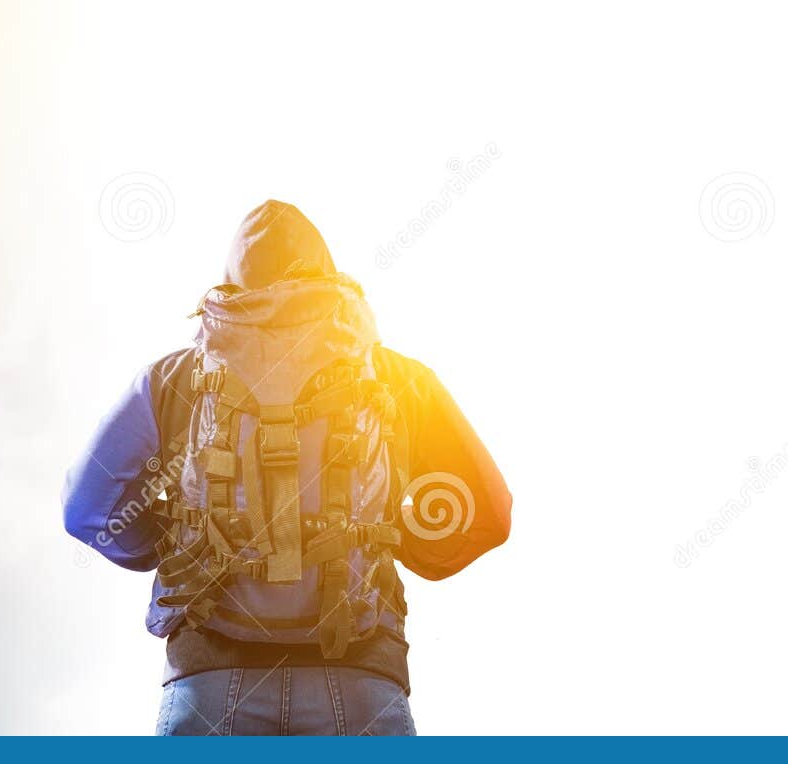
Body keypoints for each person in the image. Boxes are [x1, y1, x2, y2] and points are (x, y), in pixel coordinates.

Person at [62, 200, 512, 736]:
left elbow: (86, 510)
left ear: (229, 281)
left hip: (209, 681)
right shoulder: (397, 378)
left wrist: (178, 539)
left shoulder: (172, 380)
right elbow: (489, 511)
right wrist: (398, 540)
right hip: (360, 675)